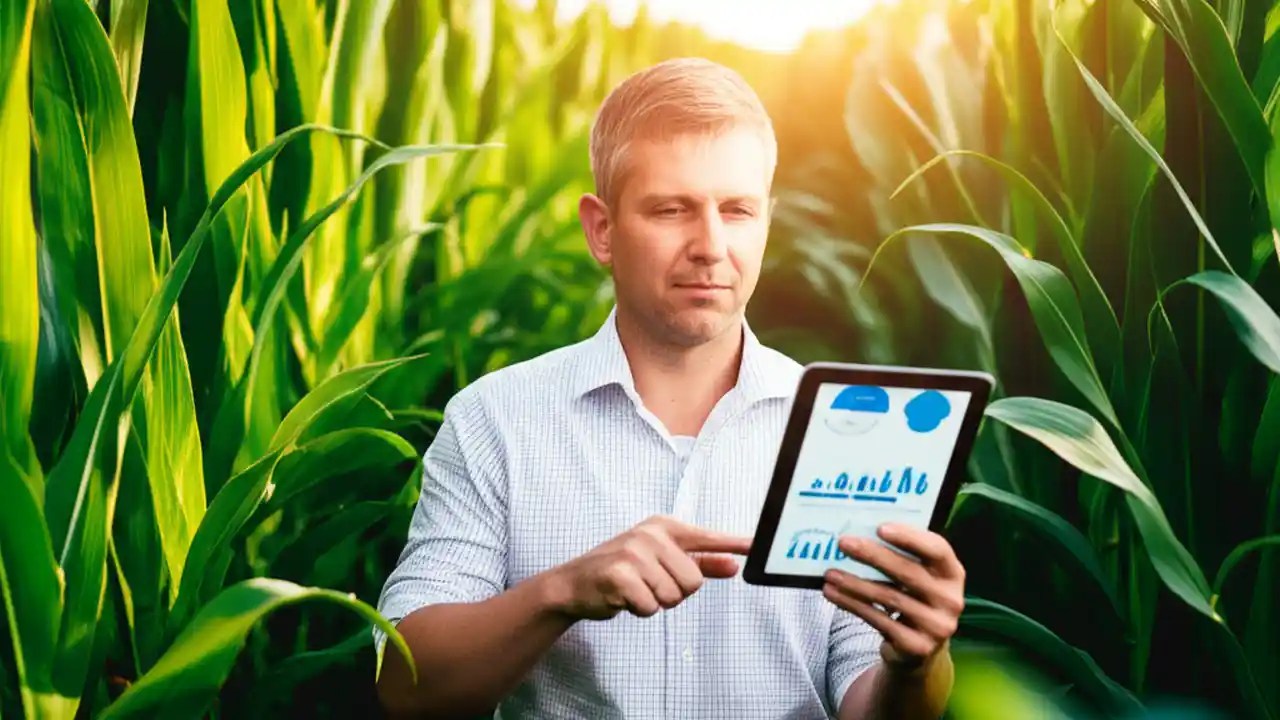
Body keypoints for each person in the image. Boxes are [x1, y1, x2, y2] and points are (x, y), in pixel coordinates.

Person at [375, 56, 967, 720]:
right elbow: (404, 685)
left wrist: (917, 664)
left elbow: (871, 702)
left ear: (765, 223)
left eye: (737, 210)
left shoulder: (847, 434)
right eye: (671, 209)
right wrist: (562, 591)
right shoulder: (496, 419)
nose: (710, 245)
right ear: (602, 230)